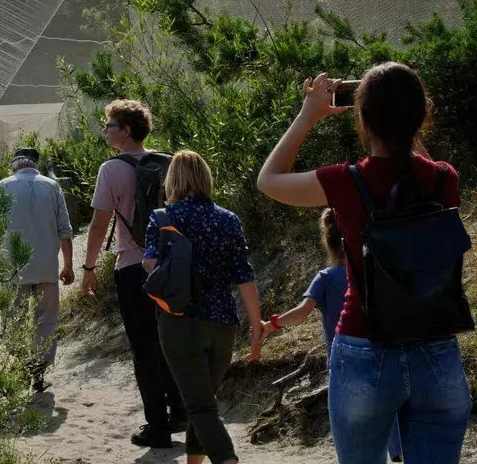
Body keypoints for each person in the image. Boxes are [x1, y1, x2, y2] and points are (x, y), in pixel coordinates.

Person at [257, 65, 470, 464]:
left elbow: (269, 180)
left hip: (364, 346)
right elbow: (416, 162)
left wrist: (308, 114)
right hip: (437, 348)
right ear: (420, 117)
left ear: (362, 117)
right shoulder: (445, 180)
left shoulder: (345, 182)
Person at [143, 150, 263, 464]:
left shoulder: (163, 218)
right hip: (223, 324)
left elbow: (150, 263)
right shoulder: (229, 219)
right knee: (203, 400)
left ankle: (227, 459)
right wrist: (257, 326)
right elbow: (244, 277)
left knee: (200, 406)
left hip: (180, 322)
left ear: (172, 180)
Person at [81, 100, 185, 448]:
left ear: (126, 131)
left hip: (133, 268)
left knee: (143, 347)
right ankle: (180, 411)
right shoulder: (169, 163)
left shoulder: (111, 170)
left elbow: (98, 226)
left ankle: (157, 426)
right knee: (169, 340)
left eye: (109, 125)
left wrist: (89, 267)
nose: (105, 131)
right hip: (172, 267)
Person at [260, 209, 402, 462]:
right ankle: (398, 451)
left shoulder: (325, 278)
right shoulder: (374, 270)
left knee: (351, 423)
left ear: (328, 241)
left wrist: (272, 324)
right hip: (382, 349)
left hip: (344, 361)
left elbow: (301, 313)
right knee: (388, 409)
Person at [0, 146, 75, 392]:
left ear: (14, 165)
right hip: (46, 268)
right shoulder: (52, 187)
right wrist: (68, 266)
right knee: (46, 320)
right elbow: (65, 230)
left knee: (15, 319)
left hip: (14, 269)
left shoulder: (4, 186)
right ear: (35, 165)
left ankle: (21, 369)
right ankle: (38, 374)